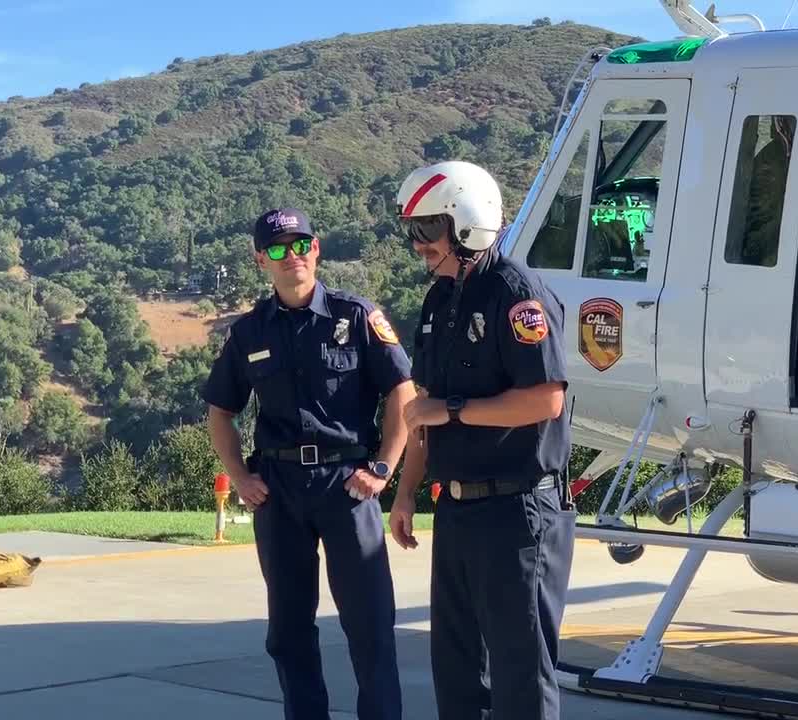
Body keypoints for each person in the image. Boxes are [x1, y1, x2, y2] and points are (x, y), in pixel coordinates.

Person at [202, 207, 414, 720]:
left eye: (301, 245)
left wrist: (384, 468)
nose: (291, 256)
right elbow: (220, 412)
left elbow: (402, 391)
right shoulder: (249, 332)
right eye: (277, 248)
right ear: (261, 260)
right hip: (278, 490)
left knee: (370, 625)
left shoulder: (356, 317)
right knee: (289, 631)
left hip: (348, 486)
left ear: (316, 249)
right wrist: (240, 476)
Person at [387, 160, 576, 720]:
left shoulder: (516, 295)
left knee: (521, 676)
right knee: (456, 670)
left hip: (517, 512)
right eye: (412, 229)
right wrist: (405, 493)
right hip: (457, 511)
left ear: (466, 223)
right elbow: (422, 411)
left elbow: (545, 400)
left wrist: (453, 410)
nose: (418, 244)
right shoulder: (439, 301)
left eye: (428, 228)